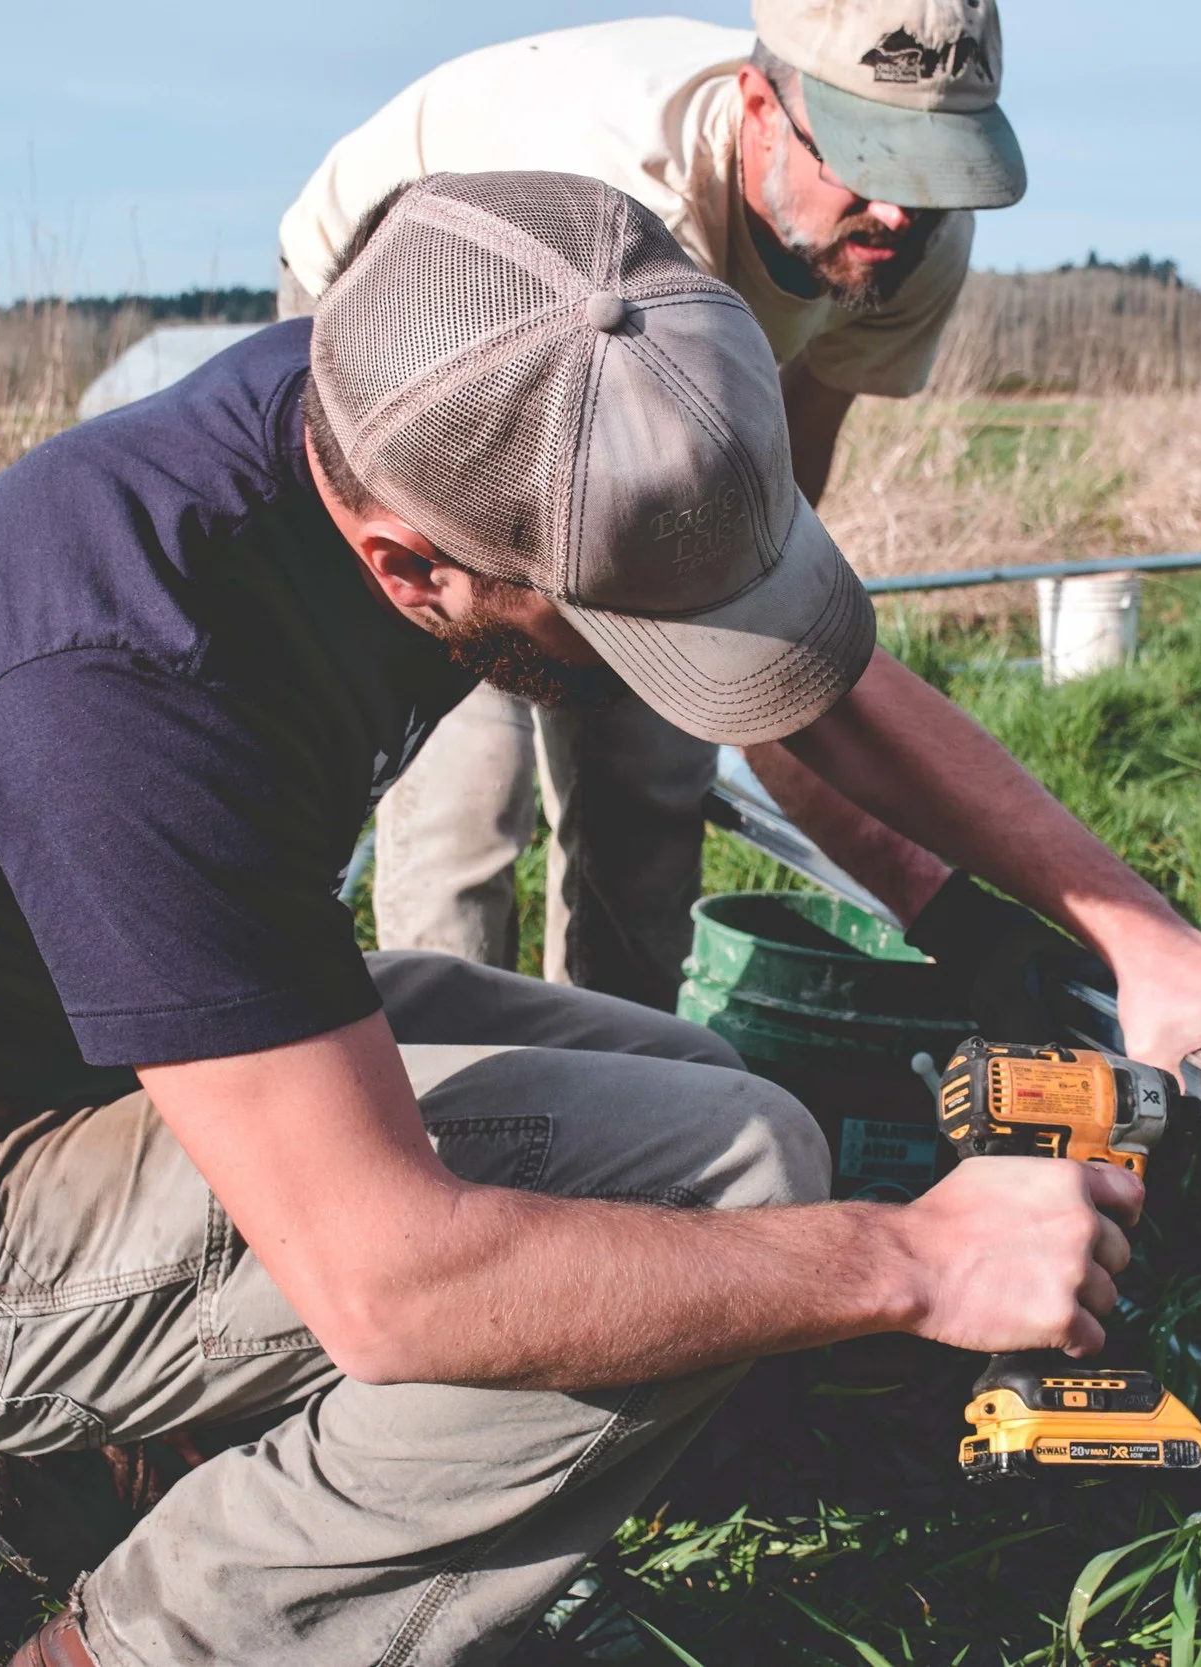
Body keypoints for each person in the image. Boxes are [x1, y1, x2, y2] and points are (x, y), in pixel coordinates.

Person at [0, 173, 1201, 1667]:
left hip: (106, 1057)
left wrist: (1137, 935)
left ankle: (160, 1448)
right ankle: (124, 1639)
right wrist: (918, 1263)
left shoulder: (452, 399)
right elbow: (396, 1282)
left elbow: (823, 692)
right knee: (723, 1188)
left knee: (721, 1108)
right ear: (414, 569)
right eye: (621, 631)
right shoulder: (124, 667)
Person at [277, 0, 1026, 1009]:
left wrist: (749, 633)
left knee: (653, 765)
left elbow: (785, 489)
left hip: (630, 355)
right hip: (428, 337)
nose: (900, 210)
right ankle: (460, 1076)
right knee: (470, 755)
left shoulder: (909, 240)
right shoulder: (617, 196)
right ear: (759, 107)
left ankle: (628, 1071)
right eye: (868, 160)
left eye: (932, 172)